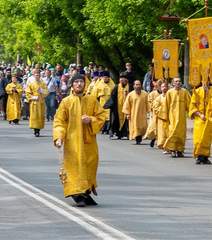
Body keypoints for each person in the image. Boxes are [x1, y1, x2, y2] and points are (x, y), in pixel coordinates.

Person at [53, 74, 110, 207]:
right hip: (72, 141)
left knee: (89, 165)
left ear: (85, 84)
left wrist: (90, 119)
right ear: (72, 85)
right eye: (76, 82)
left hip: (88, 142)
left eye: (81, 82)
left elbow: (101, 116)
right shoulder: (66, 102)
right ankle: (78, 194)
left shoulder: (92, 100)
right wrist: (59, 137)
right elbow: (59, 121)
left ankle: (86, 192)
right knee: (74, 167)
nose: (79, 84)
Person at [190, 79, 212, 164]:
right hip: (200, 119)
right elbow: (192, 106)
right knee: (198, 138)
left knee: (207, 138)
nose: (206, 83)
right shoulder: (196, 91)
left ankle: (205, 156)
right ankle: (199, 156)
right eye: (204, 81)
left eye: (208, 81)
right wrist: (200, 115)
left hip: (209, 119)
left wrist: (207, 92)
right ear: (201, 81)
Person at [162, 78, 192, 158]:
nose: (178, 83)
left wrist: (191, 113)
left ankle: (180, 150)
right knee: (172, 132)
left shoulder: (185, 92)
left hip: (182, 117)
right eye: (176, 81)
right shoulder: (170, 92)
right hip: (172, 116)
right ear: (173, 83)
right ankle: (172, 149)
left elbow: (190, 103)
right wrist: (164, 116)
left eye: (179, 81)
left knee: (181, 133)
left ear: (181, 82)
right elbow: (166, 105)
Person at [123, 80, 149, 144]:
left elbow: (148, 104)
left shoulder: (145, 94)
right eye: (136, 85)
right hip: (134, 114)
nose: (138, 86)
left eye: (139, 85)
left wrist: (149, 112)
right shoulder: (130, 95)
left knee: (142, 126)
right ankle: (137, 138)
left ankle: (139, 137)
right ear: (134, 86)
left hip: (142, 114)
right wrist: (128, 114)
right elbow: (127, 105)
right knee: (135, 126)